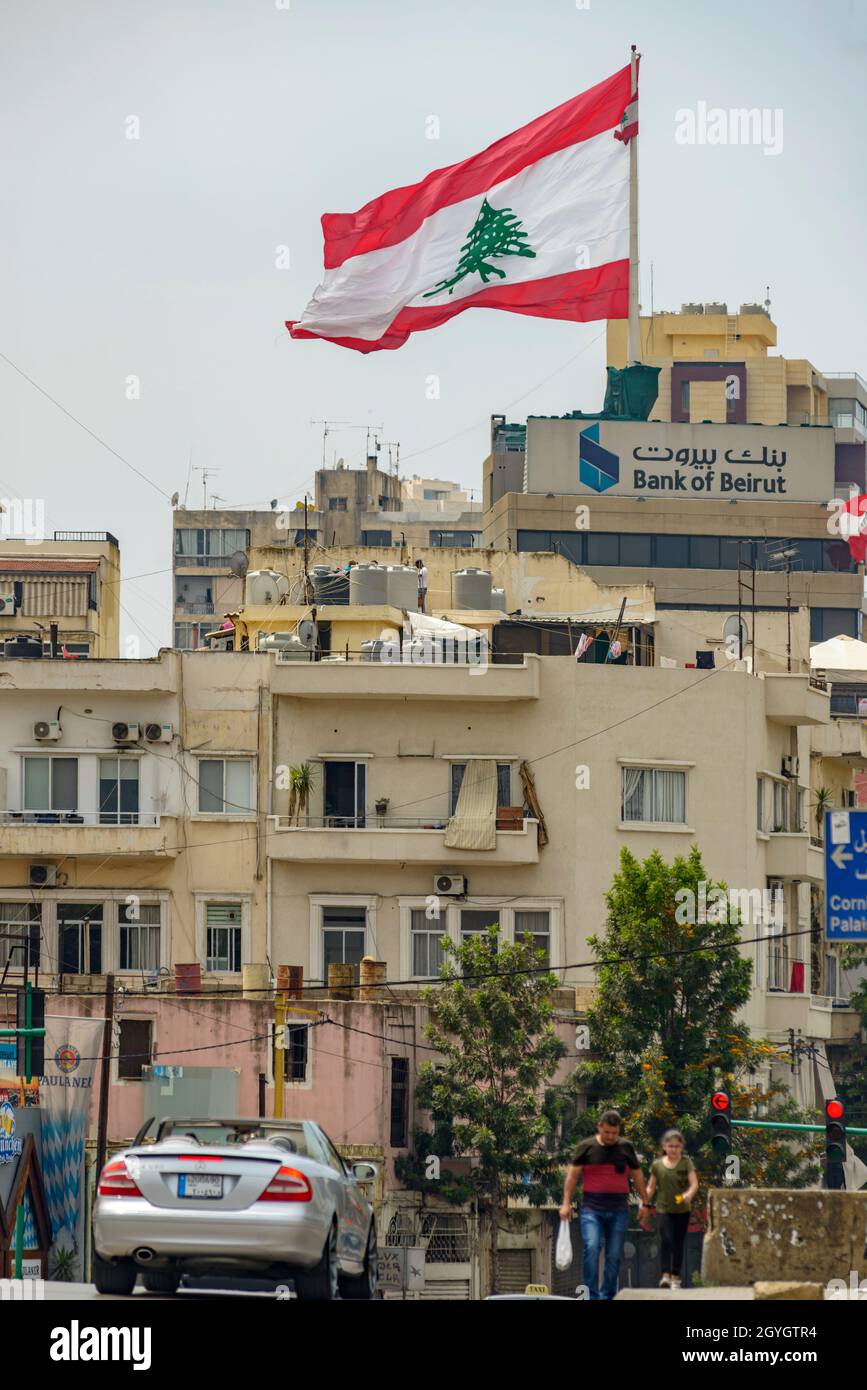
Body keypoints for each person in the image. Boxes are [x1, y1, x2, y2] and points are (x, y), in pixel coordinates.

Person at [559, 1110, 651, 1301]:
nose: (610, 1137)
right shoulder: (586, 1147)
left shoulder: (626, 1148)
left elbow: (637, 1176)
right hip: (591, 1209)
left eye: (614, 1133)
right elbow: (572, 1177)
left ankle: (607, 1295)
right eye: (607, 1132)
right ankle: (592, 1295)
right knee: (591, 1247)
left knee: (614, 1254)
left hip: (618, 1210)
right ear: (599, 1127)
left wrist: (645, 1203)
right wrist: (565, 1204)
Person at [645, 1128, 698, 1290]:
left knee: (678, 1243)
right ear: (664, 1146)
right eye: (670, 1146)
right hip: (663, 1209)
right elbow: (651, 1187)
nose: (673, 1149)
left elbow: (694, 1183)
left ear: (681, 1147)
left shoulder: (686, 1163)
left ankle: (676, 1277)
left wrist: (689, 1194)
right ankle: (665, 1275)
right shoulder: (657, 1165)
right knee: (666, 1241)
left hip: (682, 1209)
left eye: (677, 1146)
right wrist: (644, 1202)